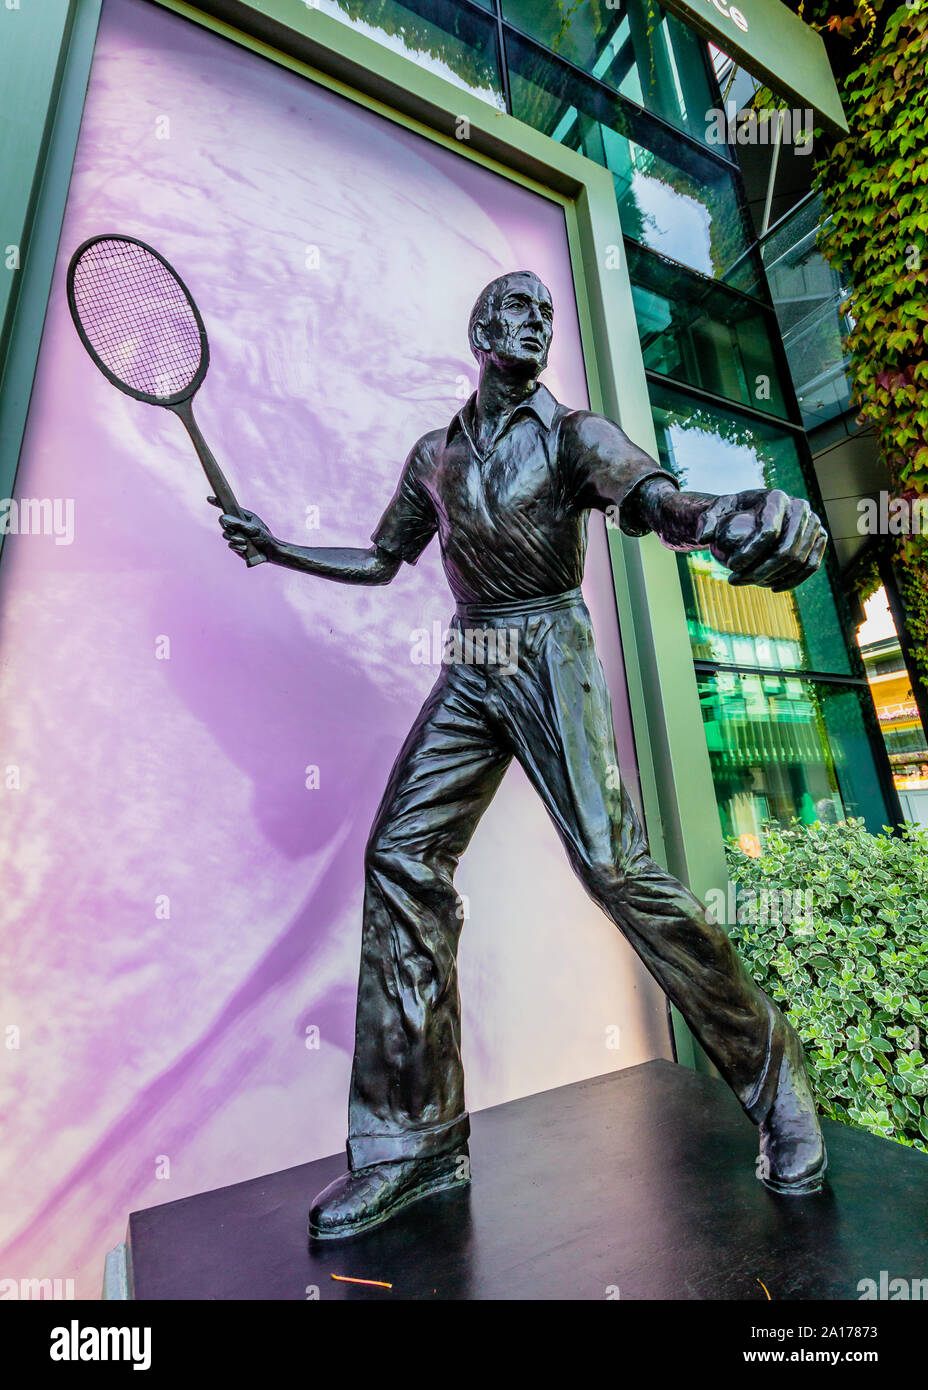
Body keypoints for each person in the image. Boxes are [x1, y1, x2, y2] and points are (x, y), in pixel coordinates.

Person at [217, 271, 828, 1240]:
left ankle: (775, 1079)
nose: (540, 321)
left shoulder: (577, 434)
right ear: (479, 328)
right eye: (521, 308)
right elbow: (382, 560)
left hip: (549, 646)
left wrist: (724, 519)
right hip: (475, 652)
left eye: (548, 311)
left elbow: (658, 501)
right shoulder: (434, 454)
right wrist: (276, 545)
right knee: (401, 857)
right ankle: (413, 1143)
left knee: (614, 868)